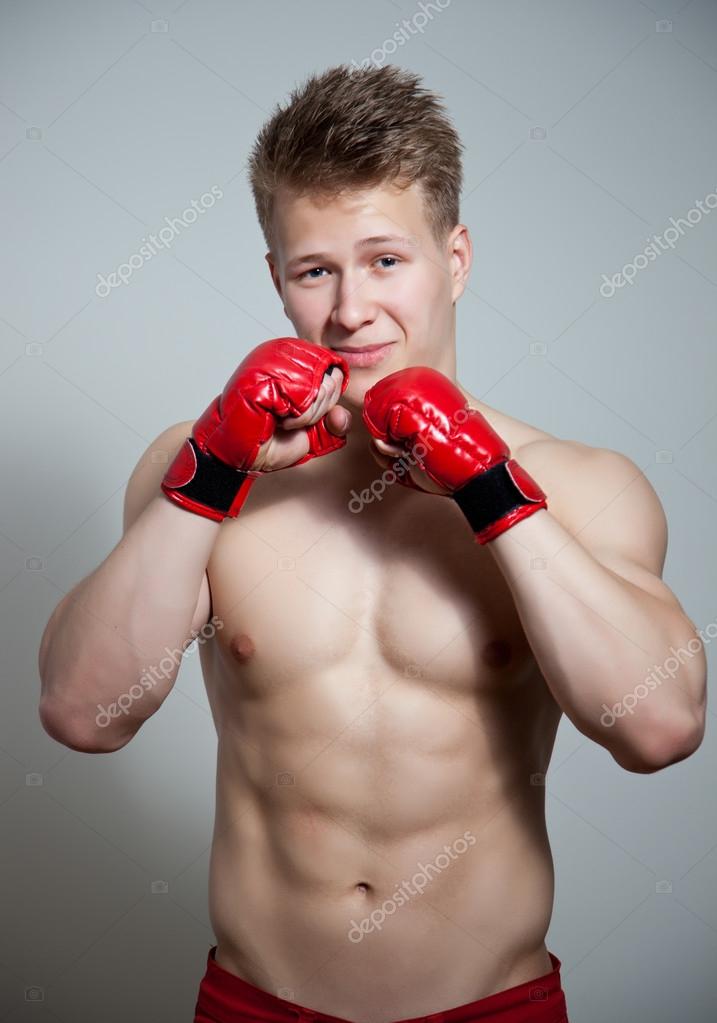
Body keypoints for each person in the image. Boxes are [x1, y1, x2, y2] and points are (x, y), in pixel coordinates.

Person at [38, 65, 707, 1023]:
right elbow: (81, 711)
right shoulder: (194, 471)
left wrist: (491, 486)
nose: (351, 310)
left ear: (457, 260)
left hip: (492, 1006)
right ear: (277, 280)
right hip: (257, 1004)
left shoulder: (587, 484)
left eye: (386, 261)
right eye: (316, 270)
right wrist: (213, 472)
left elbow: (659, 728)